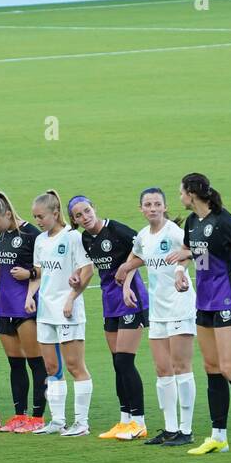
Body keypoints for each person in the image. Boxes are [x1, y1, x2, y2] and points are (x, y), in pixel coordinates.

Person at [171, 173, 231, 458]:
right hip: (205, 301)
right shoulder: (193, 222)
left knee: (230, 367)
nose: (179, 197)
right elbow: (197, 254)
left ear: (191, 194)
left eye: (181, 192)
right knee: (211, 367)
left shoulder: (223, 221)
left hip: (228, 299)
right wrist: (182, 272)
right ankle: (218, 437)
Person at [116, 187, 196, 446]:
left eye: (157, 204)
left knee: (181, 367)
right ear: (141, 208)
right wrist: (127, 281)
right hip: (158, 309)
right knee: (162, 369)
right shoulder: (142, 236)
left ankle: (186, 429)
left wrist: (180, 272)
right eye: (148, 204)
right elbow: (137, 256)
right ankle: (170, 428)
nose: (152, 208)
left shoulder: (173, 231)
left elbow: (191, 250)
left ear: (164, 207)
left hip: (179, 304)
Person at [70, 194, 150, 441]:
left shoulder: (116, 230)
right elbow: (88, 266)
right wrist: (76, 276)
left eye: (87, 211)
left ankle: (139, 421)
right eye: (78, 215)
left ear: (94, 208)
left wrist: (126, 268)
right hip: (110, 303)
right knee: (117, 363)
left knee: (125, 362)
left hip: (131, 301)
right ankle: (124, 420)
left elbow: (146, 250)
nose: (85, 217)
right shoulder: (85, 238)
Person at [24, 190, 91, 436]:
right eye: (34, 217)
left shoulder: (73, 237)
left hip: (67, 311)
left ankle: (81, 423)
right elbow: (39, 274)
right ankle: (57, 420)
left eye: (41, 216)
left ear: (55, 213)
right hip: (45, 312)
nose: (38, 221)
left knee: (75, 366)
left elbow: (87, 270)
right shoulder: (41, 241)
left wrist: (72, 298)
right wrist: (30, 295)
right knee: (52, 367)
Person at [0, 189, 45, 432]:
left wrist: (29, 274)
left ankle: (37, 418)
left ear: (7, 213)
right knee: (15, 364)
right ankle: (20, 415)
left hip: (26, 307)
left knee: (35, 363)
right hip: (4, 306)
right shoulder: (1, 235)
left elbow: (47, 267)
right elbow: (1, 266)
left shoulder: (31, 234)